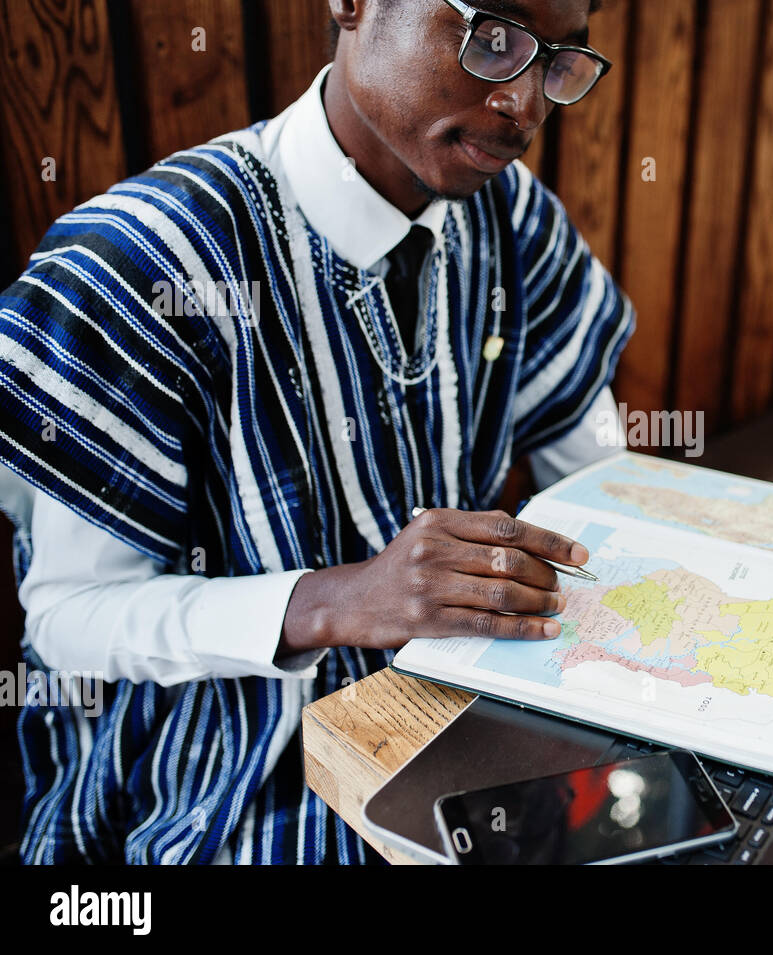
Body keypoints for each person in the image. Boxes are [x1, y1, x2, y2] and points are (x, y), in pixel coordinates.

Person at [0, 0, 633, 863]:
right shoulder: (146, 263)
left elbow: (603, 482)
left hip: (457, 716)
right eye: (492, 38)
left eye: (558, 62)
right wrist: (332, 600)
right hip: (228, 766)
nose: (526, 104)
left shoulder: (513, 222)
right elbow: (69, 614)